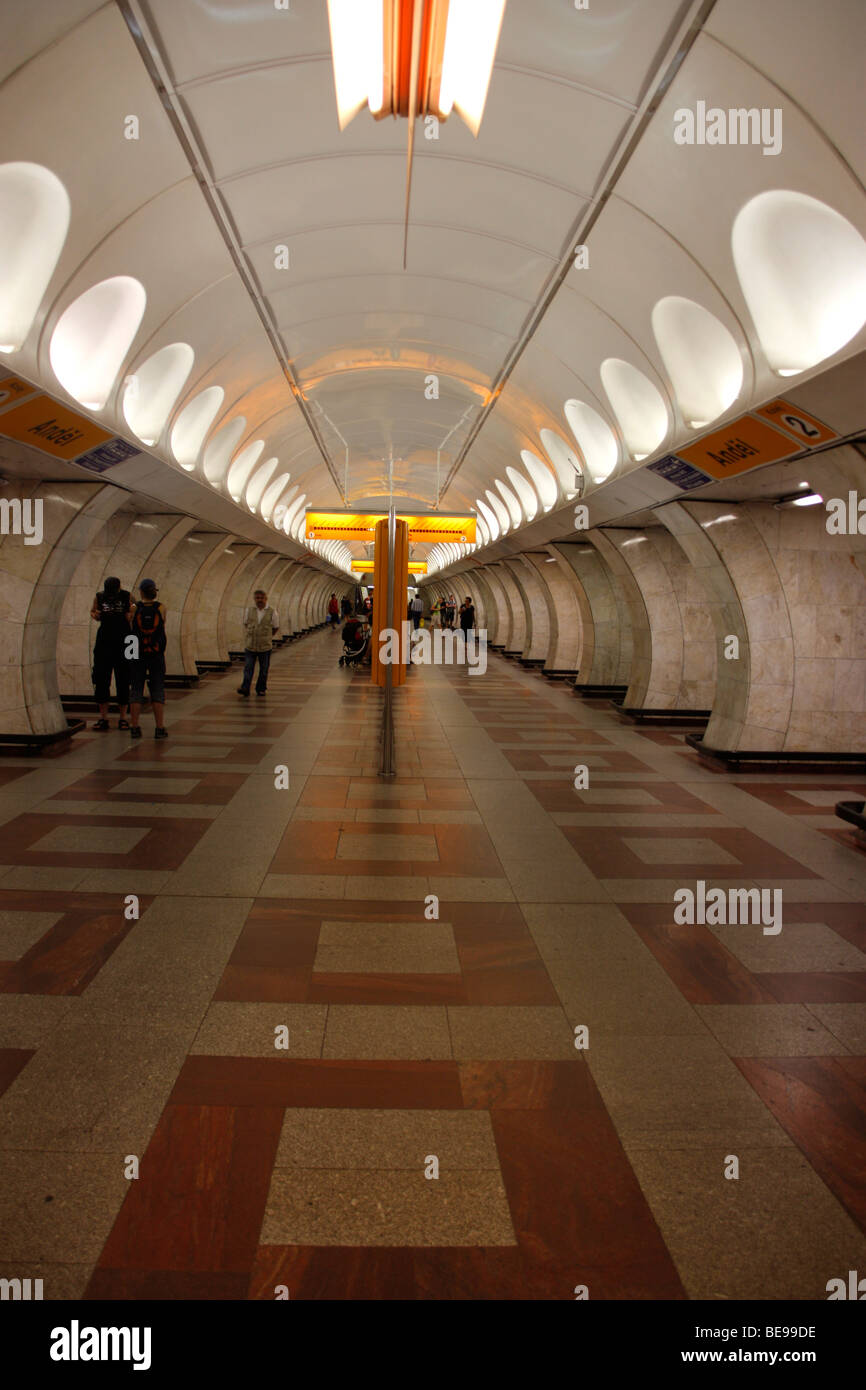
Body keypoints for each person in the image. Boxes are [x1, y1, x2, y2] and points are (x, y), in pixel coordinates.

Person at [90, 576, 133, 731]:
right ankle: (118, 718)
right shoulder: (101, 596)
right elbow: (94, 612)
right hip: (116, 640)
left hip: (115, 640)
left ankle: (110, 718)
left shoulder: (125, 596)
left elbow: (131, 614)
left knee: (120, 679)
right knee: (105, 679)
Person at [128, 578, 168, 739]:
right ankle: (159, 728)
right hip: (156, 653)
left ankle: (135, 727)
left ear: (141, 592)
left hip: (136, 652)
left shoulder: (134, 608)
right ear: (154, 591)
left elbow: (130, 625)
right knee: (157, 689)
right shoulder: (162, 607)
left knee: (136, 689)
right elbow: (162, 625)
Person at [238, 589, 279, 696]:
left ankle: (261, 688)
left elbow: (275, 627)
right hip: (250, 645)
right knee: (248, 667)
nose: (259, 600)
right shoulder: (250, 610)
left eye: (262, 598)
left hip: (265, 646)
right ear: (254, 599)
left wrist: (267, 636)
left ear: (266, 599)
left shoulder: (272, 611)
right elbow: (246, 623)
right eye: (257, 598)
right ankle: (245, 688)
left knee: (264, 669)